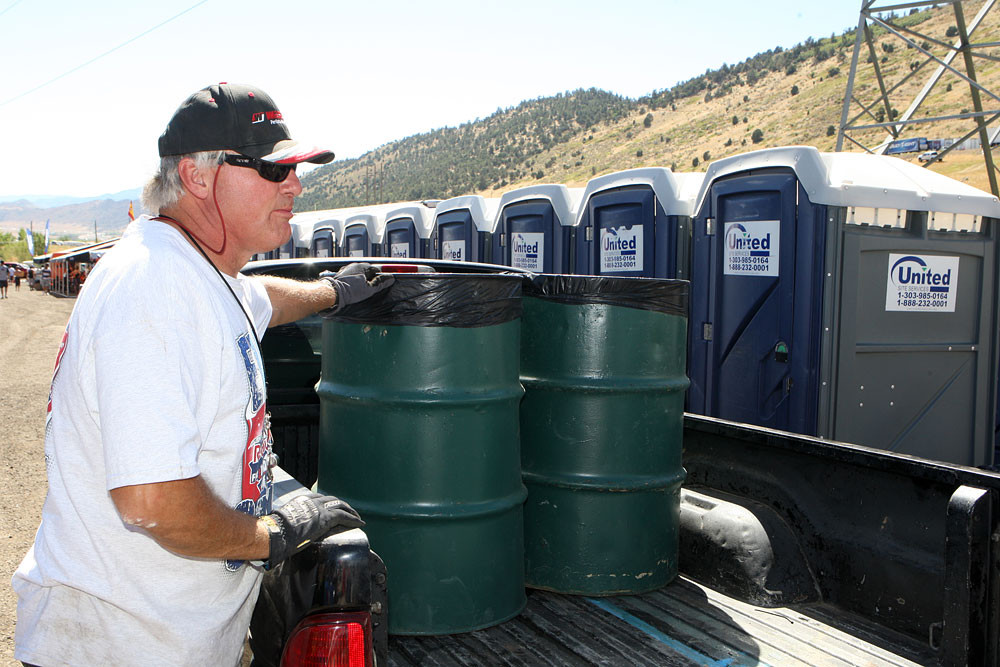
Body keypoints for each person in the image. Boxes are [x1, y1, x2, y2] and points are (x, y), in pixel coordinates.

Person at [12, 83, 394, 666]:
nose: (295, 184)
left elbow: (261, 298)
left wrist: (333, 291)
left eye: (296, 169)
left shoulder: (199, 273)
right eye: (273, 168)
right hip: (123, 649)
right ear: (196, 176)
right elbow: (152, 500)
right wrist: (274, 534)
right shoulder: (153, 287)